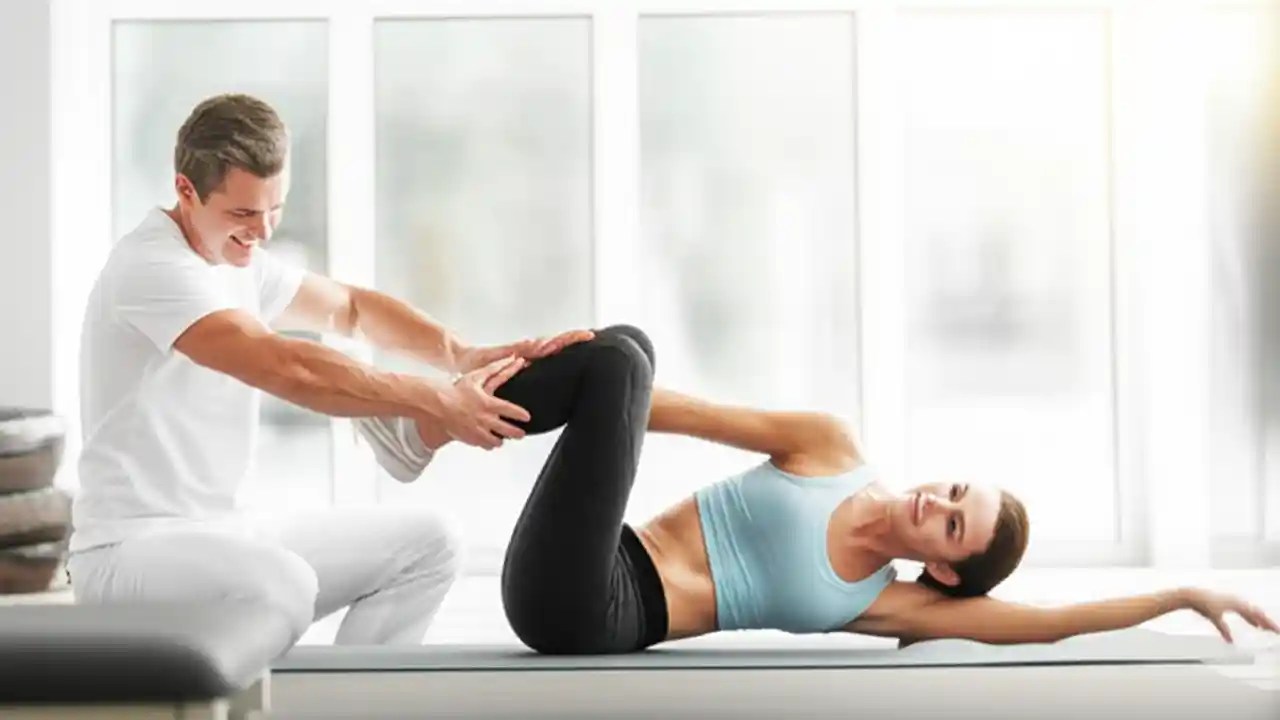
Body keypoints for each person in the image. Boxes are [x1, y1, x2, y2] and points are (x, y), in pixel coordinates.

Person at [360, 325, 1280, 654]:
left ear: (947, 572)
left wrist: (1181, 592)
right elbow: (686, 413)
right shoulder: (831, 446)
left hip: (592, 614)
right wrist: (600, 369)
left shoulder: (885, 604)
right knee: (627, 347)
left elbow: (1048, 622)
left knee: (617, 359)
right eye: (953, 489)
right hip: (586, 556)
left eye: (954, 525)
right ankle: (435, 420)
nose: (938, 503)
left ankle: (428, 421)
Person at [66, 92, 591, 649]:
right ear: (185, 191)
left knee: (430, 544)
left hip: (227, 534)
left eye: (276, 209)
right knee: (283, 583)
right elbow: (284, 366)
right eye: (243, 213)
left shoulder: (239, 260)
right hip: (130, 552)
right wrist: (433, 400)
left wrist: (461, 355)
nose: (263, 232)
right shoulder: (152, 268)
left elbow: (350, 310)